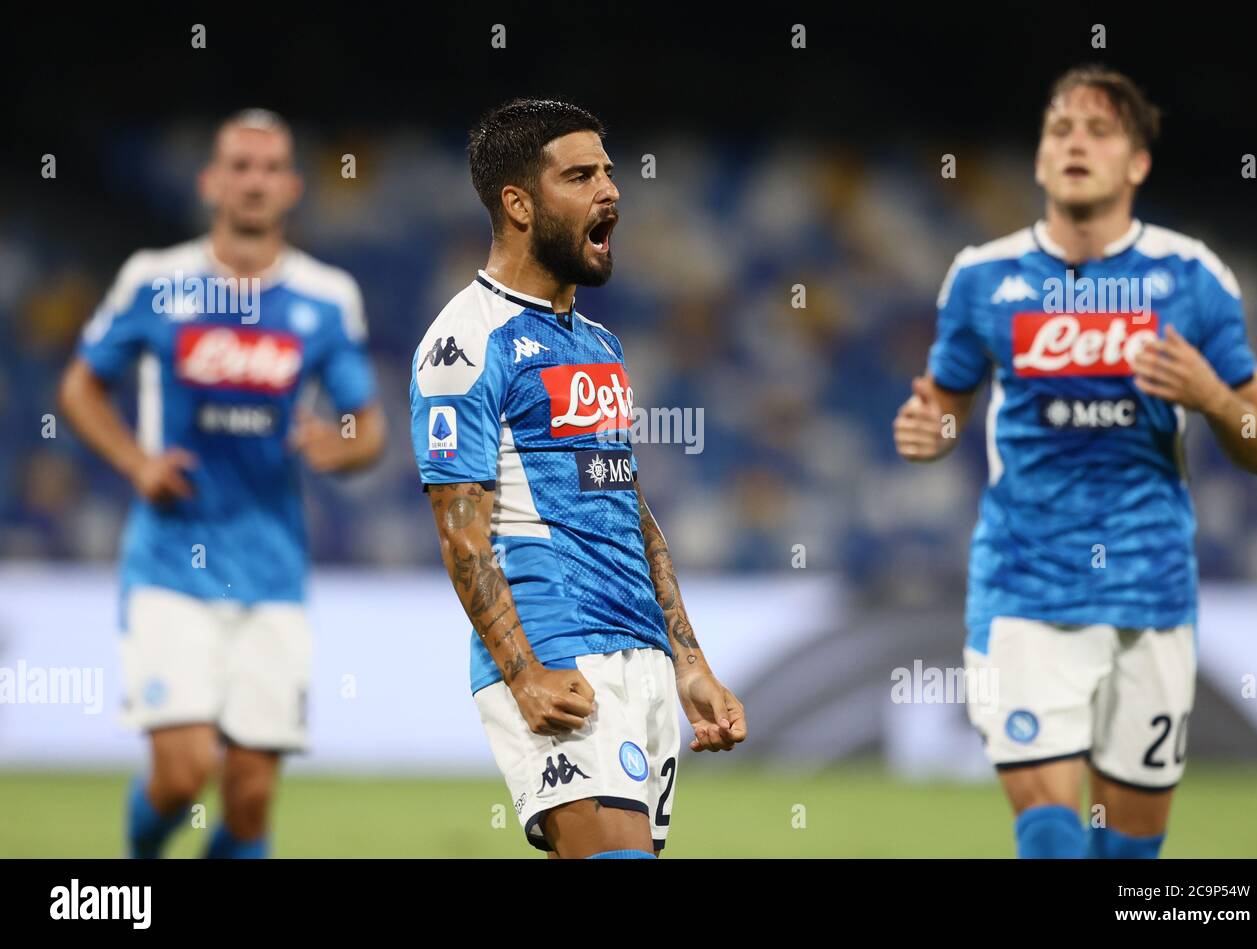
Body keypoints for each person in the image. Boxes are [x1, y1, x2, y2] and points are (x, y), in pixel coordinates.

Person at [892, 67, 1257, 858]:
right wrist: (928, 429)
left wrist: (1213, 395)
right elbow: (944, 405)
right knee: (1050, 836)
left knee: (1131, 856)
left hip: (1152, 588)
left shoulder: (1193, 277)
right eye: (1059, 129)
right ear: (1039, 161)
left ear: (1137, 163)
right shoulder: (983, 278)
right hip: (1025, 587)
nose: (1075, 142)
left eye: (1099, 131)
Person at [409, 98, 746, 858]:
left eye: (610, 171)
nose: (611, 190)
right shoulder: (465, 340)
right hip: (555, 643)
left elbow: (628, 505)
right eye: (581, 174)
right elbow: (459, 530)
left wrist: (688, 659)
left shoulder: (600, 345)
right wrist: (524, 671)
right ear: (519, 203)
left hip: (640, 654)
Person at [58, 109, 387, 858]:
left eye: (270, 168)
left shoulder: (326, 296)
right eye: (239, 165)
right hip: (172, 559)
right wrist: (137, 463)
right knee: (182, 773)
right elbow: (80, 389)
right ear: (211, 182)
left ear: (293, 188)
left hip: (271, 570)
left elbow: (367, 426)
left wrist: (341, 446)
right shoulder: (153, 279)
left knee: (249, 798)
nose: (254, 181)